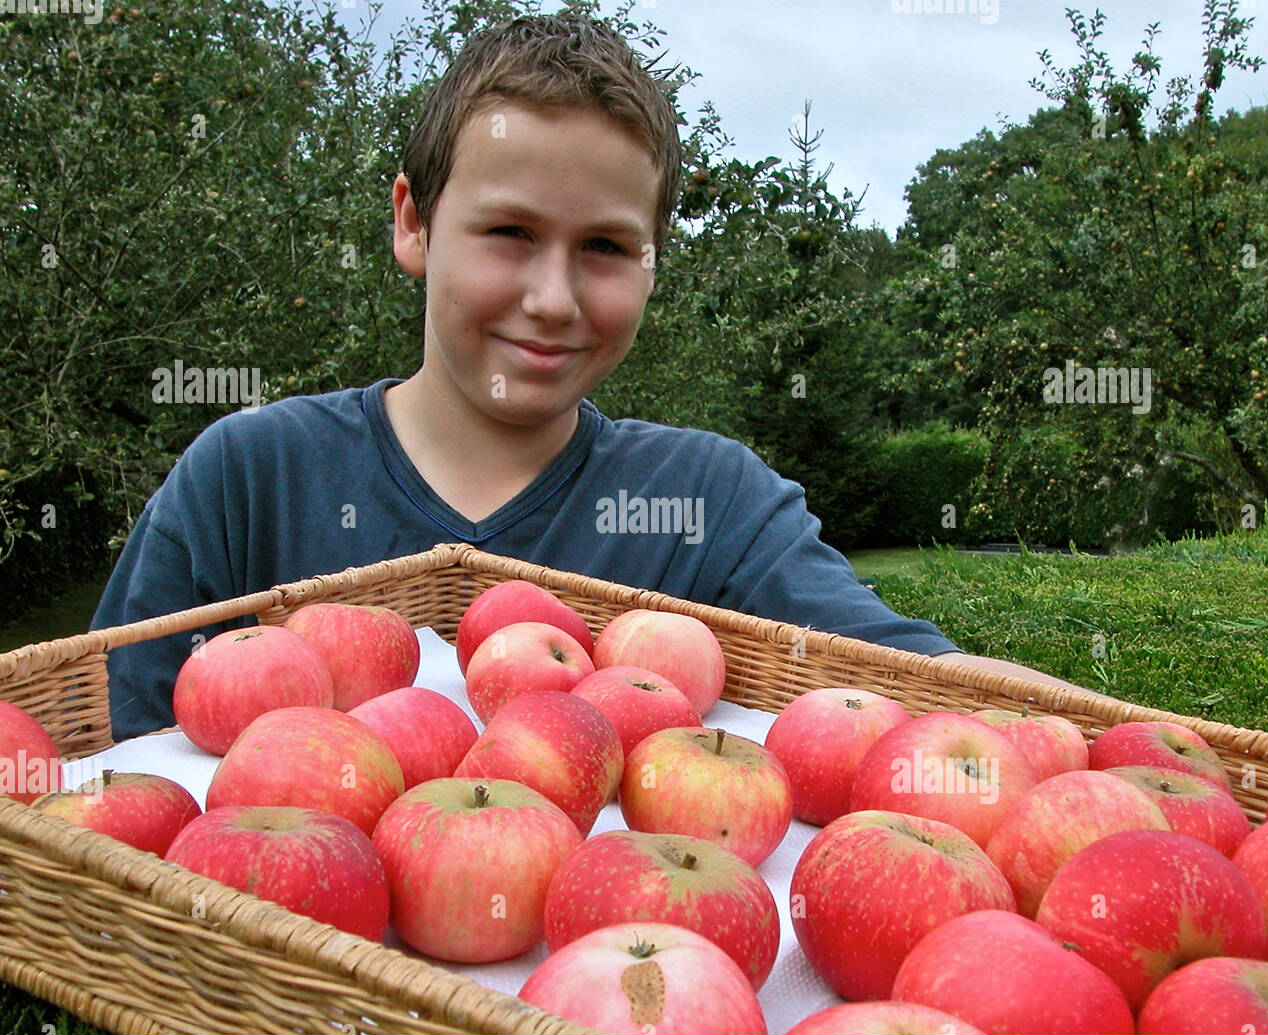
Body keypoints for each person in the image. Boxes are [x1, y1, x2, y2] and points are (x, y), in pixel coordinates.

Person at [91, 13, 1095, 741]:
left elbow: (908, 675)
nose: (554, 298)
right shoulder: (251, 477)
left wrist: (1095, 742)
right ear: (413, 223)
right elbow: (109, 760)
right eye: (509, 233)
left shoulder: (707, 501)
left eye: (607, 249)